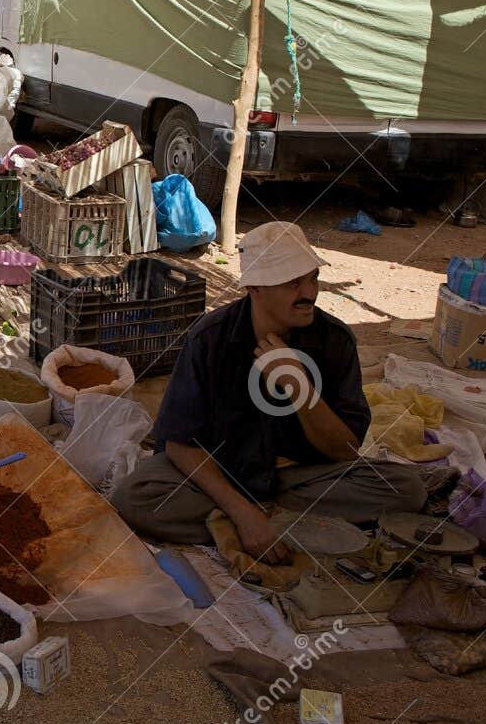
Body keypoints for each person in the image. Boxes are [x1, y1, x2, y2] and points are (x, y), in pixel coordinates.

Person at [110, 222, 425, 562]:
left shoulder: (335, 341)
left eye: (312, 278)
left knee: (406, 489)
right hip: (224, 474)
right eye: (293, 283)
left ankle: (251, 524)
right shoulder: (210, 338)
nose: (309, 293)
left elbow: (345, 451)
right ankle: (266, 524)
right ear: (256, 289)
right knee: (136, 497)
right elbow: (180, 445)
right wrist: (244, 512)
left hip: (300, 479)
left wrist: (300, 389)